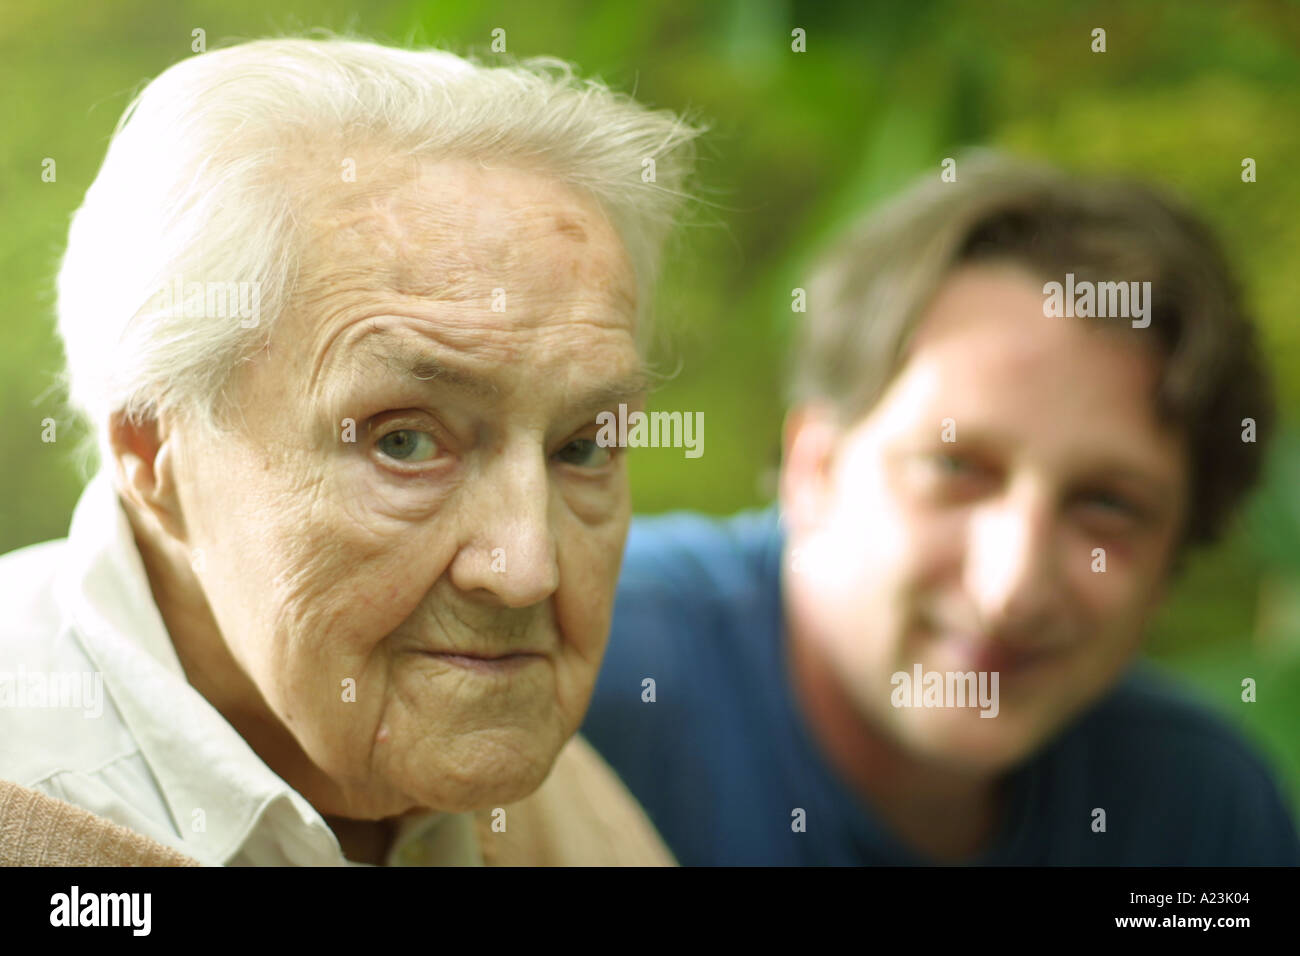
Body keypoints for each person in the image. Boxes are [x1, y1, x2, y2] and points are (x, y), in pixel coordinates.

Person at [0, 35, 703, 866]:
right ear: (153, 446)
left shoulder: (568, 813)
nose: (525, 570)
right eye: (404, 442)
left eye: (582, 448)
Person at [582, 153, 1300, 865]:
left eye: (1108, 505)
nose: (1011, 590)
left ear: (1173, 560)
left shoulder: (1203, 815)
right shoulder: (586, 674)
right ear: (813, 468)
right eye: (956, 468)